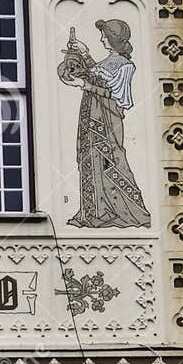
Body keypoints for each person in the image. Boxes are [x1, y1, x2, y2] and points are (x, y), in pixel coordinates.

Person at [57, 19, 150, 229]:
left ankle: (124, 210)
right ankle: (94, 212)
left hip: (107, 122)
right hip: (91, 117)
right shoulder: (107, 62)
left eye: (105, 36)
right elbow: (95, 74)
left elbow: (115, 97)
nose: (101, 38)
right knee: (90, 161)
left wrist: (85, 85)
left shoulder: (126, 67)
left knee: (111, 160)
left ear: (113, 38)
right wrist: (83, 52)